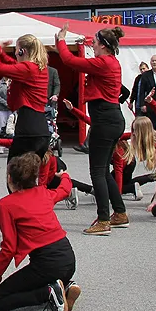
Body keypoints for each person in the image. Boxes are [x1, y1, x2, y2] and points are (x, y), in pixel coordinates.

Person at [0, 152, 80, 311]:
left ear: (10, 178)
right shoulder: (44, 193)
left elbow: (9, 247)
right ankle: (65, 286)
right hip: (68, 259)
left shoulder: (5, 205)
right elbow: (64, 189)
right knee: (30, 281)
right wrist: (65, 175)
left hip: (47, 264)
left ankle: (48, 292)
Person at [51, 25, 128, 236]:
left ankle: (104, 220)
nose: (91, 45)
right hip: (110, 118)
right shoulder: (110, 61)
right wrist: (63, 46)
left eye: (94, 42)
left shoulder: (103, 62)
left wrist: (61, 40)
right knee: (102, 170)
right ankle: (119, 213)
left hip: (105, 120)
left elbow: (70, 62)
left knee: (97, 171)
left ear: (102, 45)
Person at [0, 35, 50, 161]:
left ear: (22, 51)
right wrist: (1, 52)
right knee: (30, 175)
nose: (15, 53)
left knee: (15, 174)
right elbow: (14, 64)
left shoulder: (27, 69)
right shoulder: (39, 68)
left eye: (16, 50)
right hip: (40, 128)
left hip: (28, 126)